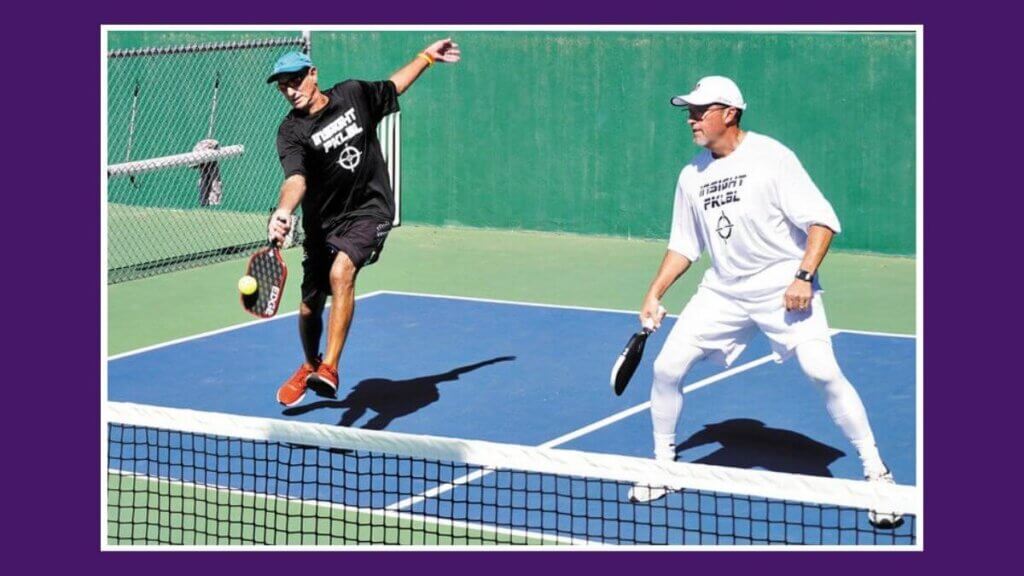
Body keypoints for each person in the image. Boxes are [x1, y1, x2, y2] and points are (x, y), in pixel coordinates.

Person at [631, 75, 899, 526]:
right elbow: (683, 245)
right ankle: (664, 465)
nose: (692, 119)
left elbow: (821, 222)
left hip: (782, 285)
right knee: (665, 369)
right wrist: (654, 294)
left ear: (730, 113)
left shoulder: (772, 157)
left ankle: (878, 474)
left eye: (701, 111)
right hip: (723, 290)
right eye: (689, 112)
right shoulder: (691, 175)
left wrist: (803, 277)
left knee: (822, 371)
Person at [267, 39, 461, 407]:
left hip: (370, 210)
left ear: (313, 74)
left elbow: (394, 86)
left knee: (342, 273)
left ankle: (330, 368)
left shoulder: (353, 94)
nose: (291, 91)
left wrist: (426, 58)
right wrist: (283, 211)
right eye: (283, 87)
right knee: (310, 305)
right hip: (323, 224)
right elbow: (296, 179)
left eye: (295, 81)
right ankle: (309, 364)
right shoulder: (290, 131)